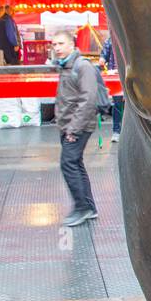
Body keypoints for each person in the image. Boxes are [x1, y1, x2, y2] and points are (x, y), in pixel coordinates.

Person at [51, 28, 98, 227]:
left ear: (72, 45)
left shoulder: (82, 66)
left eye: (61, 43)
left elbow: (88, 99)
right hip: (68, 125)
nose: (57, 48)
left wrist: (74, 129)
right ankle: (88, 207)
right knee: (76, 163)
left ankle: (82, 208)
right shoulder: (65, 66)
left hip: (77, 126)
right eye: (54, 44)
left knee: (68, 164)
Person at [101, 32, 124, 144]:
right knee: (117, 105)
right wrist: (102, 59)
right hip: (115, 78)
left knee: (132, 107)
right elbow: (104, 55)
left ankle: (130, 132)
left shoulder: (129, 40)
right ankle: (116, 131)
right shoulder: (110, 41)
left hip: (128, 77)